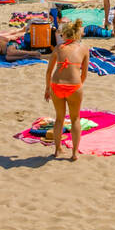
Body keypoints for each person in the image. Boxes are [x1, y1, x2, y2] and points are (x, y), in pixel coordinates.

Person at [43, 19, 91, 160]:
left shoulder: (58, 48)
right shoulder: (84, 48)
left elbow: (48, 72)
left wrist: (47, 88)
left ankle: (58, 150)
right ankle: (75, 153)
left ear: (65, 35)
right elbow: (84, 74)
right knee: (75, 119)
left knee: (59, 119)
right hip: (74, 86)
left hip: (56, 85)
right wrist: (78, 86)